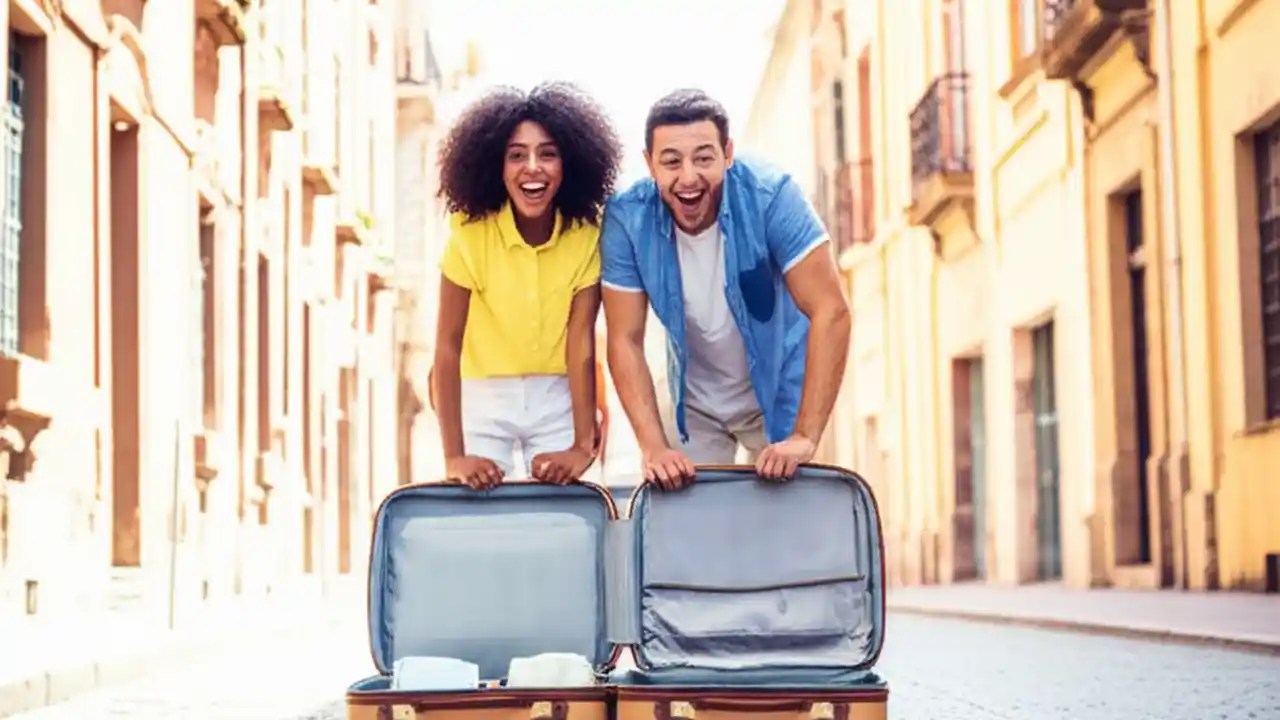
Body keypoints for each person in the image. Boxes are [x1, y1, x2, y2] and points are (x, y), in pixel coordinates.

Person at [600, 88, 851, 490]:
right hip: (695, 403)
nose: (688, 177)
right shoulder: (627, 219)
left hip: (777, 395)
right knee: (692, 529)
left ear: (728, 153)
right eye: (671, 162)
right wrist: (653, 447)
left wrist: (805, 435)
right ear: (649, 164)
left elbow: (831, 310)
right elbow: (624, 339)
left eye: (703, 158)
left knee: (782, 528)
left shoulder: (773, 196)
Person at [432, 81, 623, 490]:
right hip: (480, 396)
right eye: (516, 155)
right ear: (495, 167)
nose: (532, 167)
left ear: (568, 164)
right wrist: (454, 456)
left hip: (557, 396)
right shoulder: (469, 235)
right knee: (482, 521)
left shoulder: (586, 236)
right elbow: (447, 347)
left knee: (563, 516)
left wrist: (581, 445)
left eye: (548, 154)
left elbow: (582, 344)